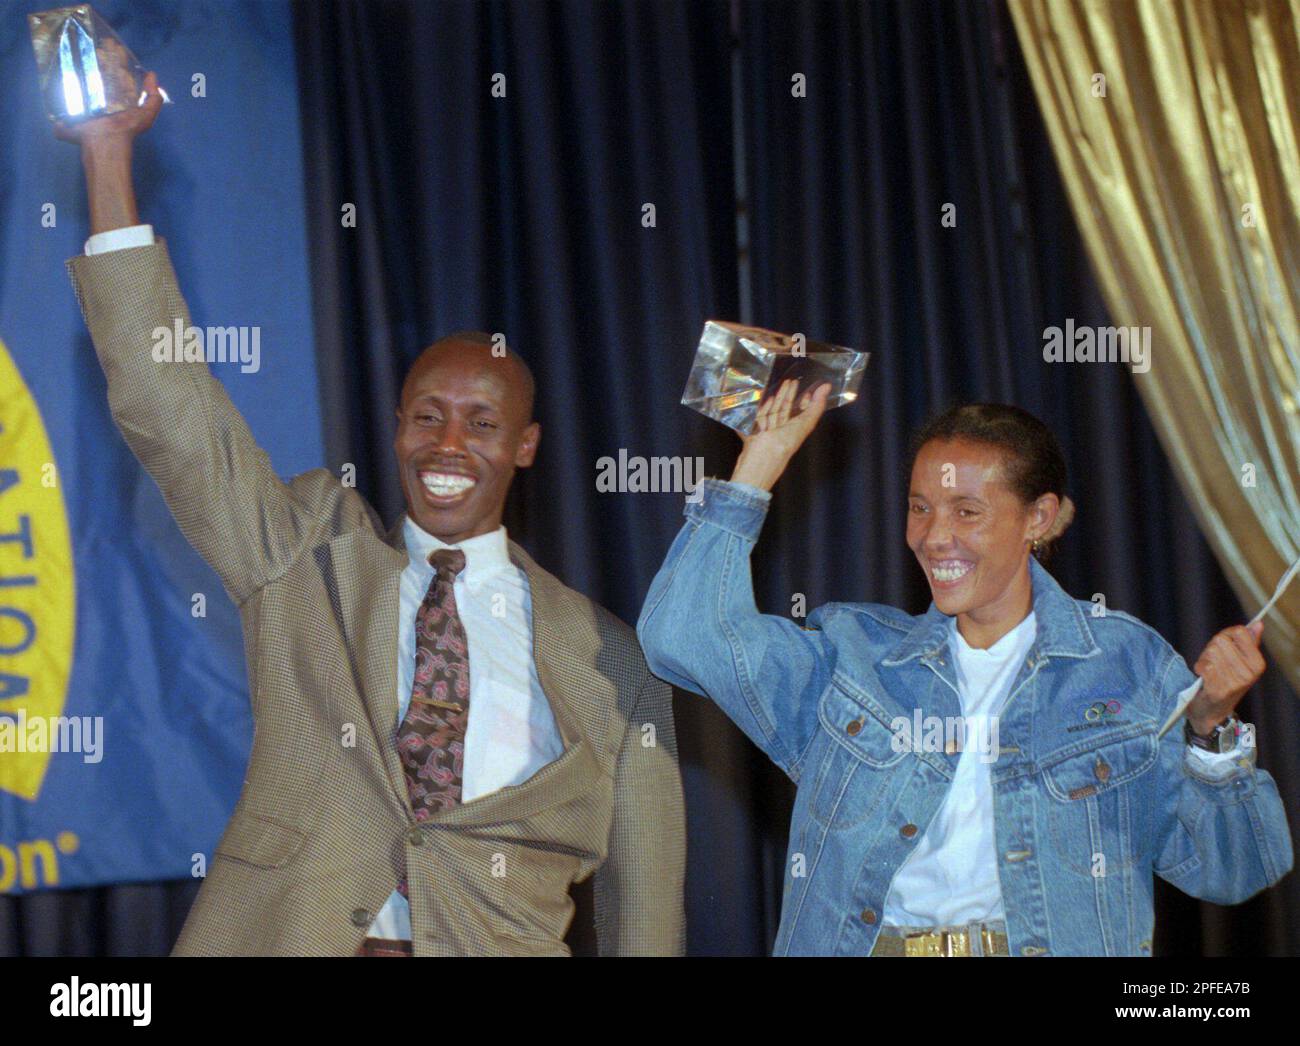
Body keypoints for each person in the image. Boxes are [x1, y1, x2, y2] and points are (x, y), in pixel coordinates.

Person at [58, 74, 685, 956]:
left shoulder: (613, 661)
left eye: (482, 423)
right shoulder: (305, 554)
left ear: (527, 445)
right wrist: (108, 150)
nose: (448, 444)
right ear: (396, 427)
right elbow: (171, 410)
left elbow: (647, 918)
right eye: (427, 414)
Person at [637, 379, 1292, 956]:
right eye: (920, 507)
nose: (934, 535)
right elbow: (680, 636)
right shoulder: (853, 655)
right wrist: (758, 465)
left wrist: (1209, 730)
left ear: (1039, 517)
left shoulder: (1127, 665)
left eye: (966, 511)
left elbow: (1232, 868)